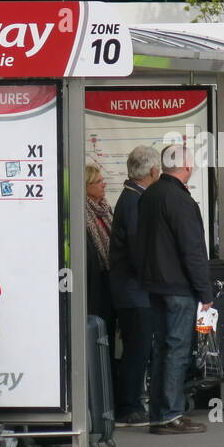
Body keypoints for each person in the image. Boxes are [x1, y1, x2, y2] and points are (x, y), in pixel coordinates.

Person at [135, 144, 211, 435]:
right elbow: (192, 249)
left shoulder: (150, 195)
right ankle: (171, 414)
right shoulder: (179, 200)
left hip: (154, 285)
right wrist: (204, 291)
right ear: (186, 167)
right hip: (178, 287)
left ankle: (159, 413)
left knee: (161, 348)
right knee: (177, 349)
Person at [108, 145, 161, 428]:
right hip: (134, 290)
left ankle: (130, 403)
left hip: (129, 288)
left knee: (136, 347)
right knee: (137, 348)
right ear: (153, 171)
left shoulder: (130, 197)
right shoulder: (135, 202)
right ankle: (128, 407)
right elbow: (138, 247)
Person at [84, 163, 115, 347]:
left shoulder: (105, 209)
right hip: (95, 284)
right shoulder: (82, 214)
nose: (103, 184)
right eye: (98, 181)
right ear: (86, 186)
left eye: (103, 180)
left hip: (110, 281)